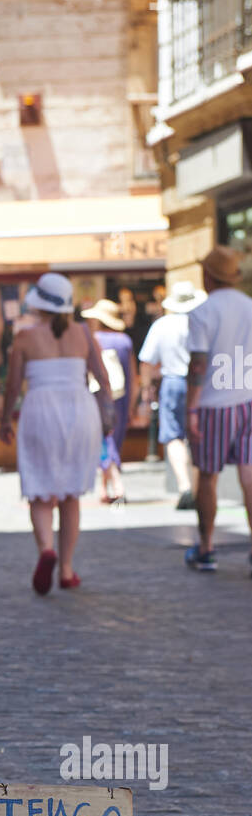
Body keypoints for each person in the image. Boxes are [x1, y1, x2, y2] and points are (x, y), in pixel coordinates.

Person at [0, 272, 112, 594]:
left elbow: (12, 385)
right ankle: (65, 568)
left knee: (40, 489)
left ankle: (46, 550)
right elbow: (102, 377)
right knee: (70, 494)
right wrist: (110, 411)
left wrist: (6, 420)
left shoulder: (24, 337)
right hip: (79, 410)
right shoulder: (84, 333)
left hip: (40, 411)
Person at [185, 245, 252, 572]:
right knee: (250, 476)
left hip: (214, 403)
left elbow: (198, 365)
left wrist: (191, 409)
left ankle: (207, 548)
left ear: (208, 275)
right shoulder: (250, 307)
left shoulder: (203, 312)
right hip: (249, 399)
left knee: (208, 478)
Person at [138, 280, 205, 511]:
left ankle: (185, 486)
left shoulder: (162, 325)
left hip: (173, 382)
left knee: (174, 435)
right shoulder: (201, 323)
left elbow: (146, 360)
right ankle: (196, 488)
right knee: (197, 435)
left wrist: (146, 389)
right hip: (200, 382)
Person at [81, 299, 138, 505]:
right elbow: (133, 376)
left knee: (105, 441)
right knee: (113, 440)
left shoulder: (93, 339)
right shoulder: (125, 341)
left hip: (99, 396)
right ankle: (105, 488)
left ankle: (117, 485)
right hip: (121, 398)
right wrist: (132, 405)